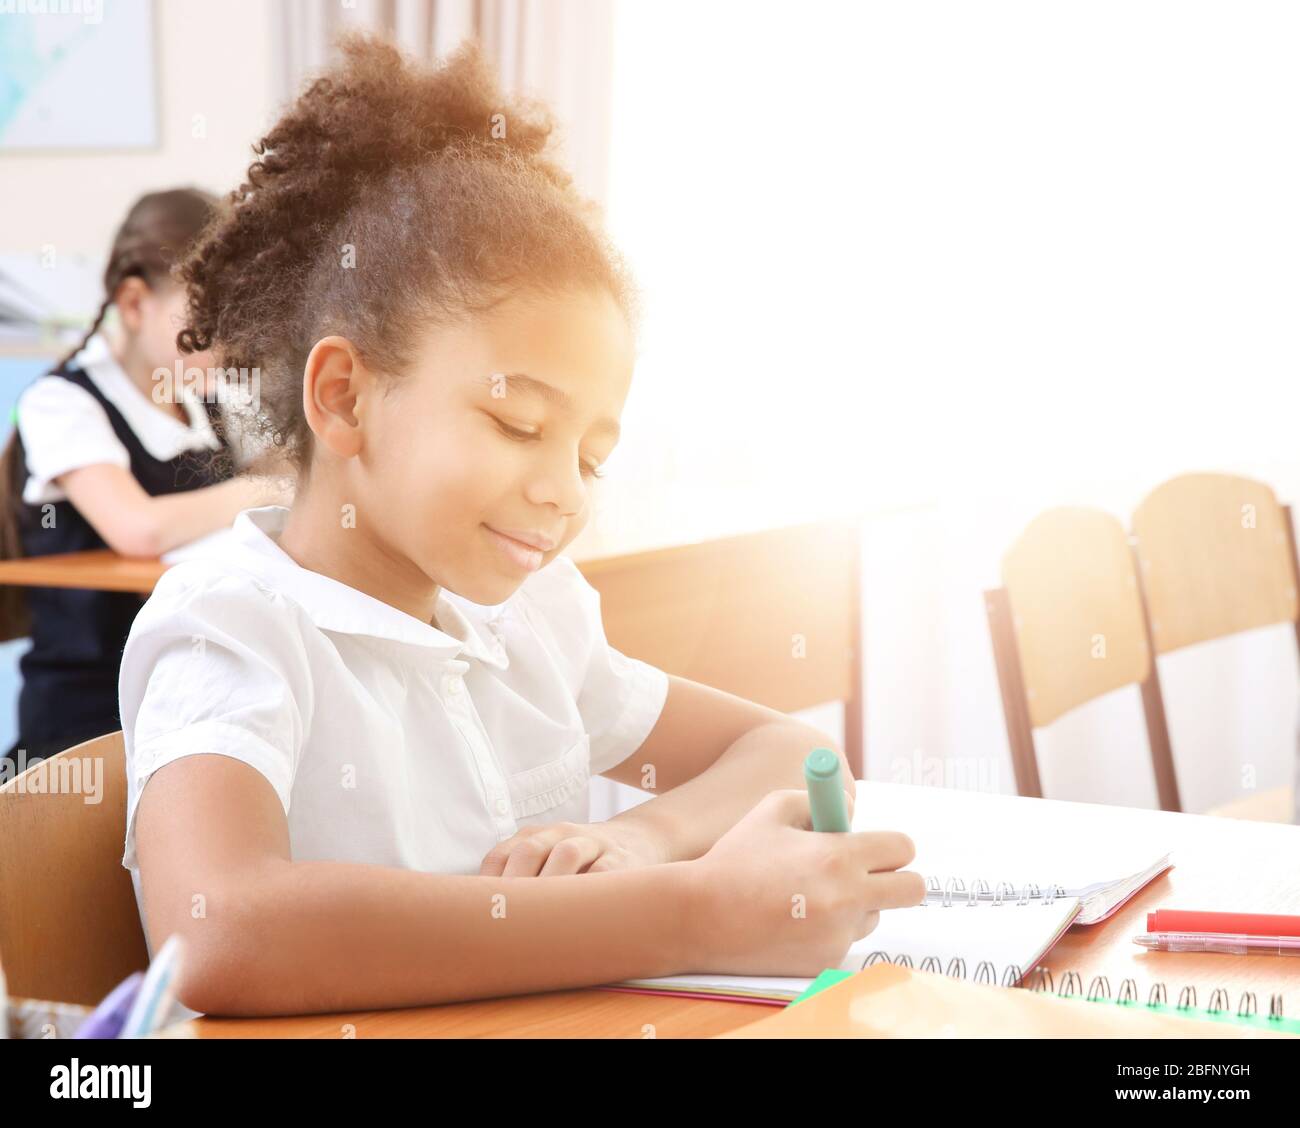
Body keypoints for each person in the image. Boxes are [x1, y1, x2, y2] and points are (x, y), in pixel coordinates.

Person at [120, 36, 923, 1015]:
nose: (565, 494)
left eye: (589, 456)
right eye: (518, 425)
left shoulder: (530, 615)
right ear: (344, 398)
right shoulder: (235, 627)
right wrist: (694, 910)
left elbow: (799, 754)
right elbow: (219, 927)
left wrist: (643, 842)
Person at [0, 188, 292, 770]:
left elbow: (296, 472)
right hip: (86, 725)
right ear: (135, 304)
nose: (230, 340)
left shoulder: (211, 400)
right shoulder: (63, 403)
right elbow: (136, 529)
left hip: (194, 700)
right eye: (210, 318)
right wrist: (268, 489)